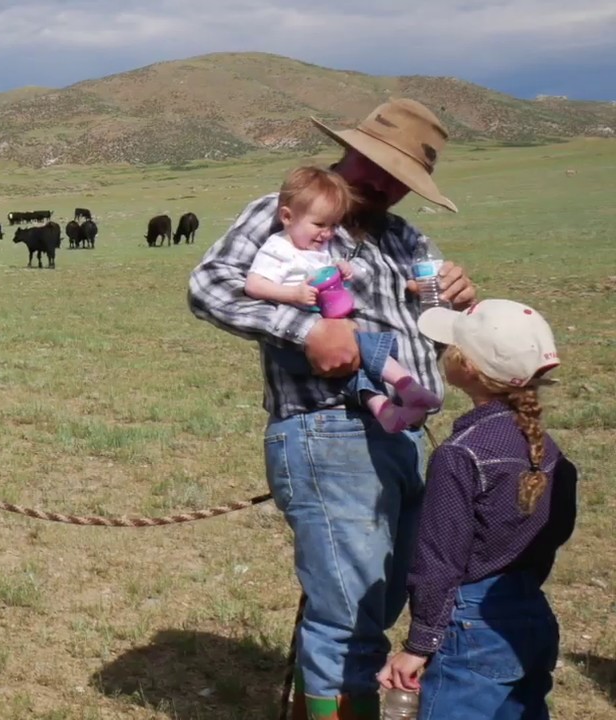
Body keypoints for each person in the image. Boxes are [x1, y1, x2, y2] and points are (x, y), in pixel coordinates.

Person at [188, 98, 477, 720]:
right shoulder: (290, 211)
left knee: (380, 598)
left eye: (400, 177)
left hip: (405, 434)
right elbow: (211, 284)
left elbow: (429, 328)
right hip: (331, 428)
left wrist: (459, 301)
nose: (381, 182)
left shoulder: (404, 236)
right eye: (373, 163)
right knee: (348, 616)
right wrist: (304, 330)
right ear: (347, 149)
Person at [378, 299, 577, 719]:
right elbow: (554, 532)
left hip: (470, 629)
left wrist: (420, 645)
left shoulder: (460, 454)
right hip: (530, 614)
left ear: (465, 366)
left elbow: (439, 561)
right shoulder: (550, 453)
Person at [245, 165, 442, 433]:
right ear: (287, 217)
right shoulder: (277, 248)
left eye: (333, 226)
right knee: (370, 345)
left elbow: (324, 267)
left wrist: (341, 266)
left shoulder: (316, 244)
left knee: (356, 369)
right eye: (319, 225)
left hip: (331, 327)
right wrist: (292, 294)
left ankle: (383, 408)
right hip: (295, 345)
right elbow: (253, 284)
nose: (327, 234)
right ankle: (407, 385)